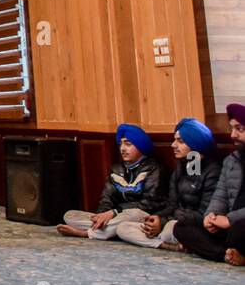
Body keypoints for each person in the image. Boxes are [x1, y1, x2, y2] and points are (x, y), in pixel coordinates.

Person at [115, 118, 220, 251]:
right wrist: (158, 217)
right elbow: (172, 204)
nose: (173, 145)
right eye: (174, 140)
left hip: (189, 225)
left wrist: (164, 221)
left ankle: (163, 240)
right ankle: (166, 245)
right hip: (173, 220)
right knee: (123, 228)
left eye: (180, 141)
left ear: (195, 144)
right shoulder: (182, 167)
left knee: (170, 229)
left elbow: (204, 214)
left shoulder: (212, 171)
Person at [58, 124, 165, 239]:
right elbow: (107, 197)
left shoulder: (154, 168)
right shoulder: (116, 169)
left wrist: (115, 212)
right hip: (116, 215)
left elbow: (149, 203)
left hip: (139, 214)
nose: (122, 149)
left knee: (133, 214)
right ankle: (106, 229)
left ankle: (87, 233)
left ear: (141, 146)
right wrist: (102, 215)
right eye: (121, 144)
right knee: (69, 215)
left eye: (128, 144)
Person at [173, 103, 245, 265]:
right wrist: (210, 216)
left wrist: (229, 220)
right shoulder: (231, 161)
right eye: (231, 129)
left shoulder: (208, 167)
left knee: (239, 230)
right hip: (227, 226)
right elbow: (220, 195)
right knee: (181, 227)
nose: (233, 134)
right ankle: (226, 255)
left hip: (238, 225)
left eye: (239, 129)